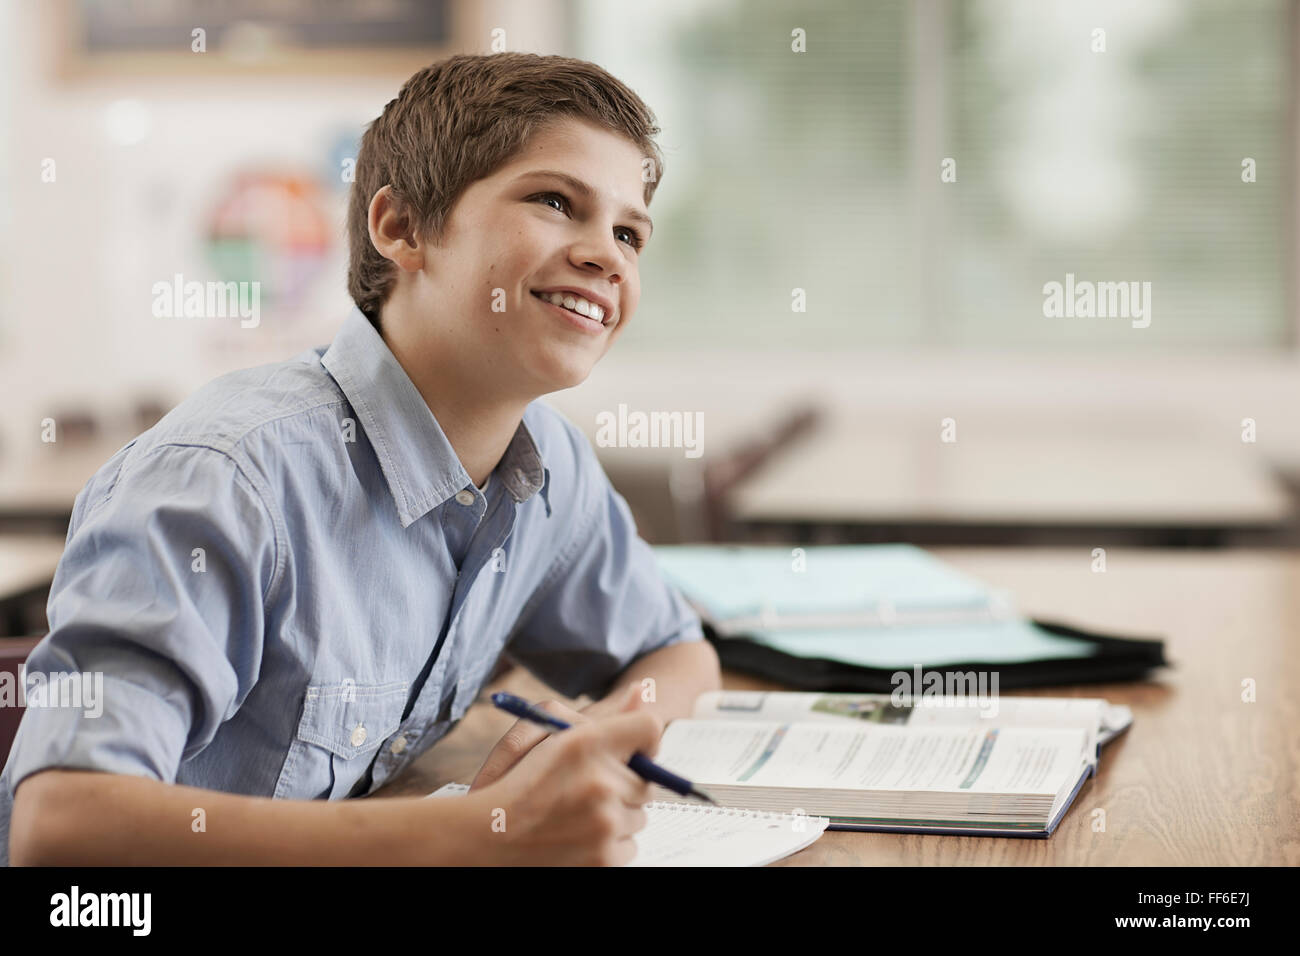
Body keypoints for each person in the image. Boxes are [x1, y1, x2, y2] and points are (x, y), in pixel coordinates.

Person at [3, 52, 720, 866]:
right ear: (402, 228)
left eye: (630, 232)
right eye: (556, 201)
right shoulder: (226, 480)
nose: (609, 255)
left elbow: (678, 653)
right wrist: (483, 833)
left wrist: (587, 750)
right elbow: (60, 831)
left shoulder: (548, 465)